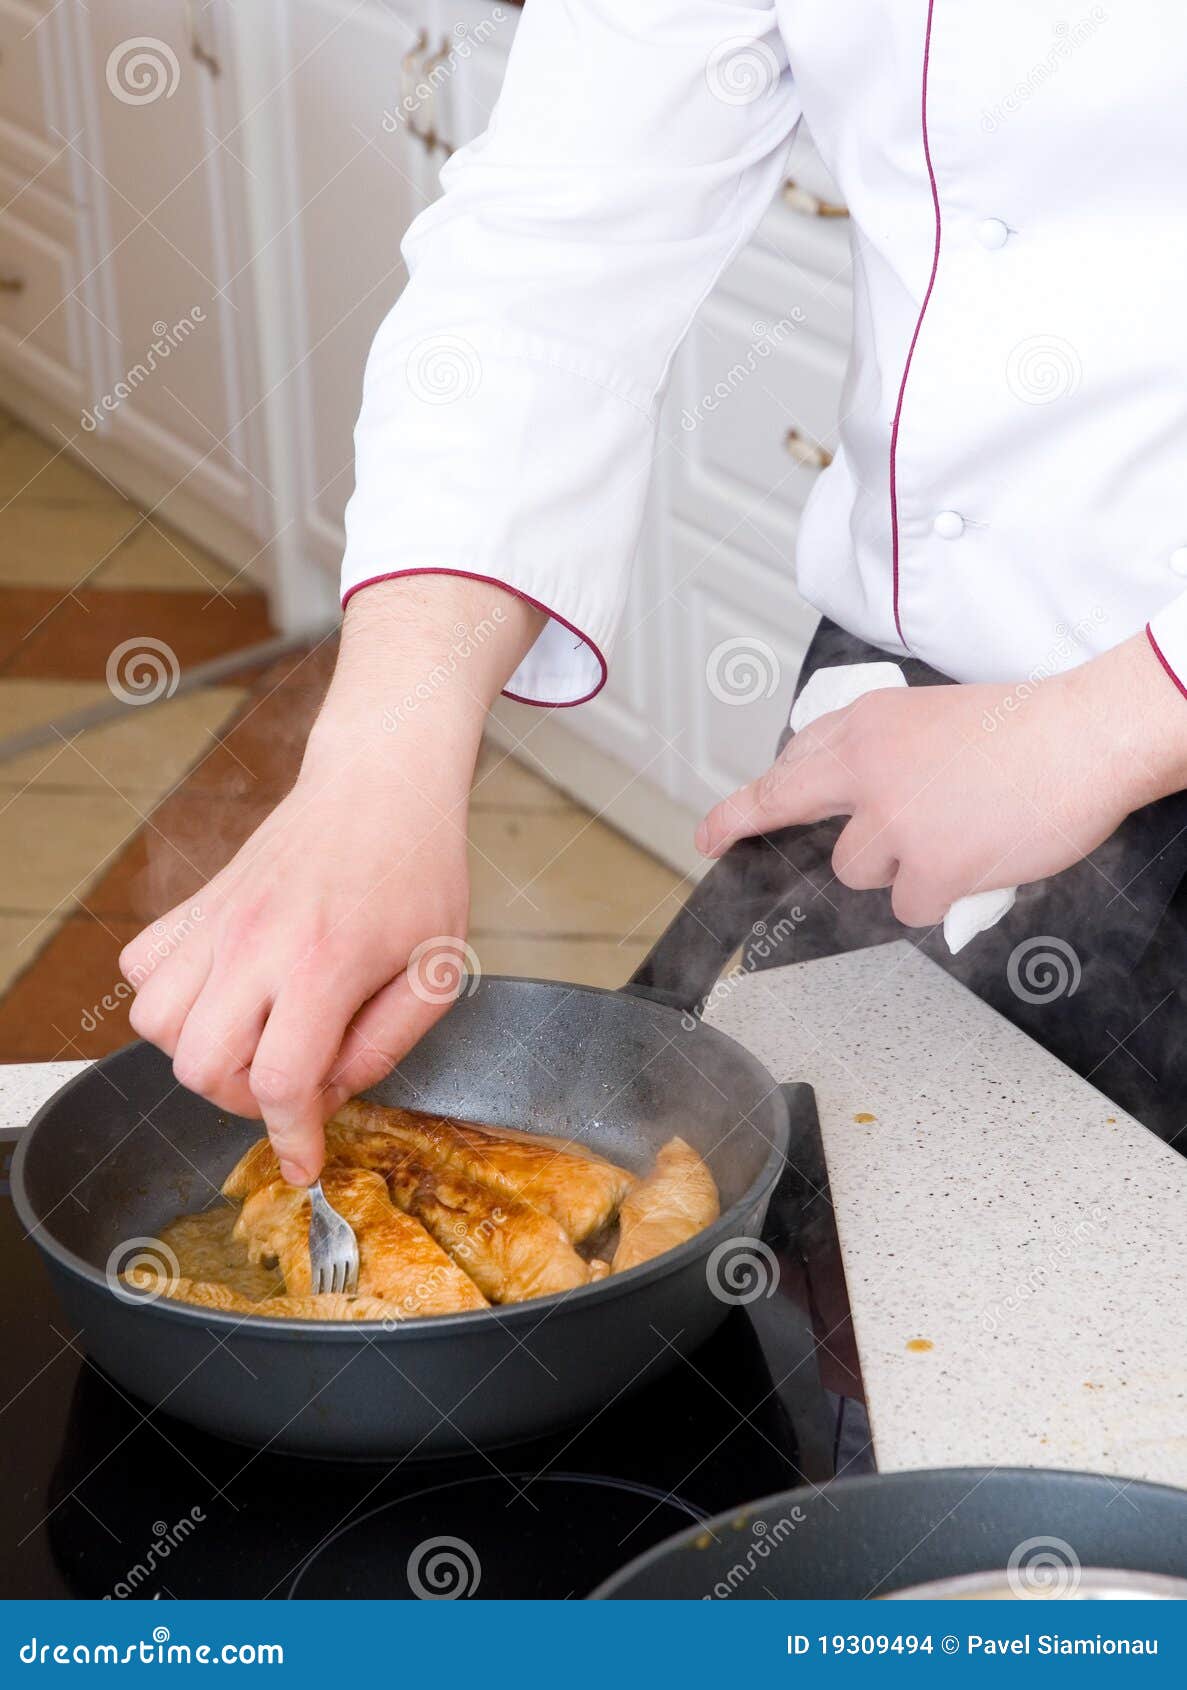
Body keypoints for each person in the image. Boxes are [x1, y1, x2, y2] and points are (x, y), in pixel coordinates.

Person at [120, 4, 1187, 1177]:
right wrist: (377, 763)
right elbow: (556, 253)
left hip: (1146, 707)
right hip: (897, 744)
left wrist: (1111, 720)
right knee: (707, 1237)